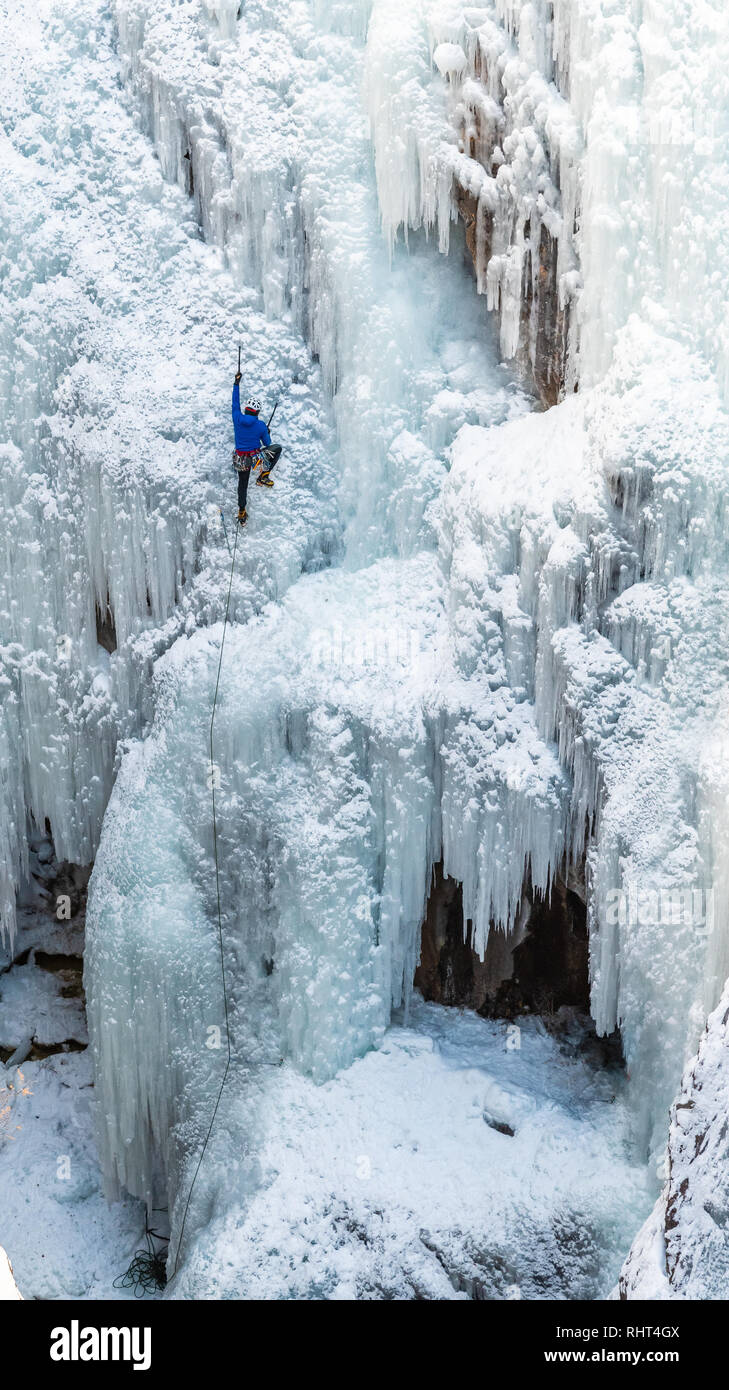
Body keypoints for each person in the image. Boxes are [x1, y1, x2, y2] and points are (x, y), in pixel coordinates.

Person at [231, 373, 282, 526]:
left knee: (243, 484)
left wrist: (236, 384)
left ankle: (241, 511)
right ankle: (263, 476)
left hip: (240, 460)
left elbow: (234, 402)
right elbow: (268, 444)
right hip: (255, 459)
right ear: (257, 412)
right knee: (277, 449)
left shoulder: (237, 417)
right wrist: (266, 432)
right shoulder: (260, 425)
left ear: (246, 409)